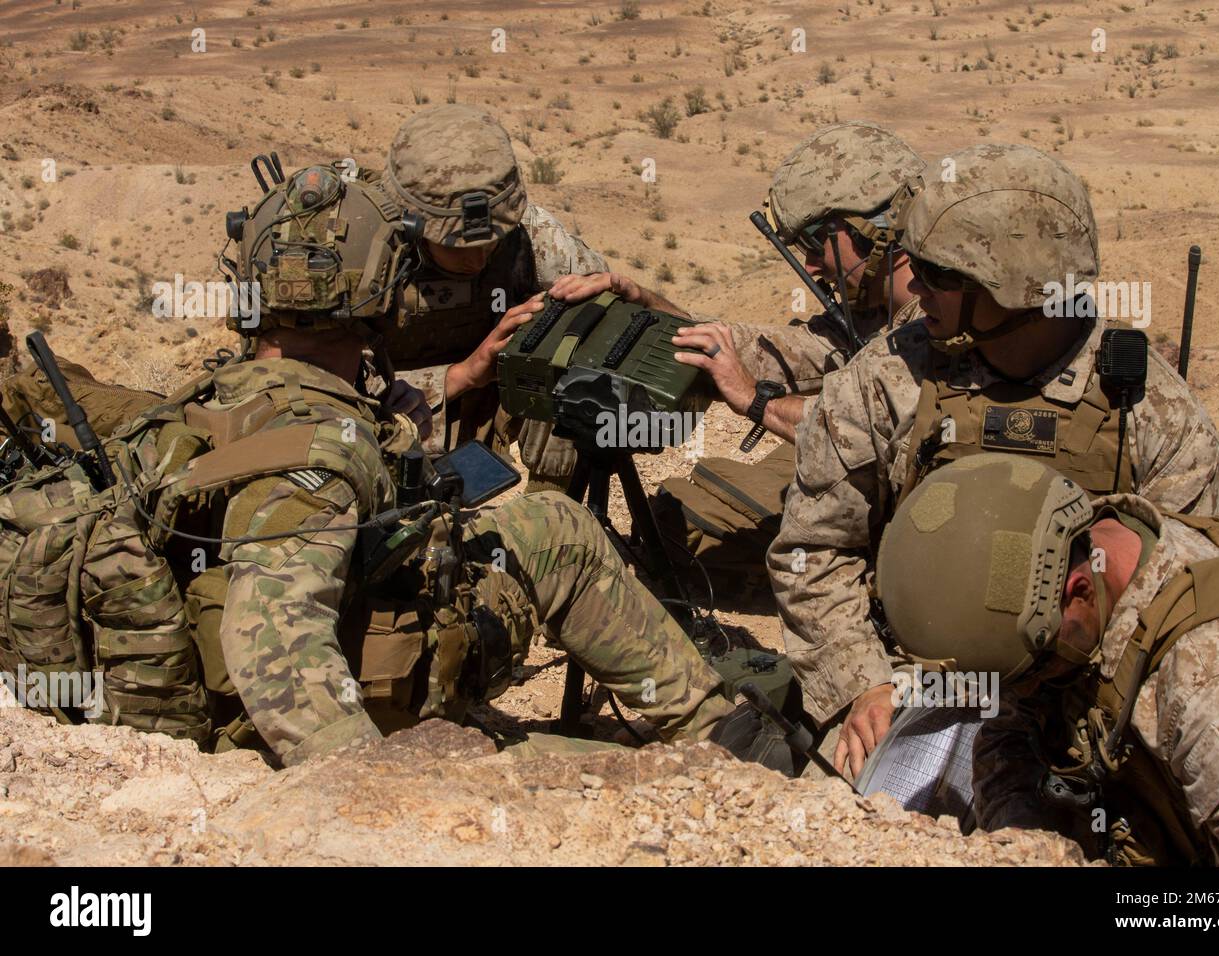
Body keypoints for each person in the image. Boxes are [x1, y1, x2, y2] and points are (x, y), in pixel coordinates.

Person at [0, 161, 775, 770]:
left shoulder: (217, 397)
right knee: (560, 534)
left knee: (519, 517)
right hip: (312, 711)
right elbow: (276, 649)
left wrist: (464, 379)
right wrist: (368, 786)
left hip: (220, 667)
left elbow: (380, 431)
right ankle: (727, 743)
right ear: (381, 288)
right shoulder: (319, 449)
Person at [768, 143, 1219, 780]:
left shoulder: (1149, 409)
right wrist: (862, 687)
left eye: (941, 275)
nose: (917, 288)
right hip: (919, 690)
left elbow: (1190, 604)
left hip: (1096, 708)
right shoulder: (886, 380)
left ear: (1010, 290)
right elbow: (812, 550)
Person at [556, 122, 926, 600]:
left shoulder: (935, 325)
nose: (812, 267)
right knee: (678, 530)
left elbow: (861, 434)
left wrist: (757, 402)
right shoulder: (874, 313)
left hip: (928, 527)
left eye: (816, 245)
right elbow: (767, 352)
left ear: (871, 230)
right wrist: (644, 304)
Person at [874, 453, 1219, 865]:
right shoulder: (1066, 566)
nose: (1017, 694)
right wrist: (1026, 844)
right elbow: (1009, 739)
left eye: (1029, 676)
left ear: (1079, 593)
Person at [370, 104, 608, 491]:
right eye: (458, 245)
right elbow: (328, 391)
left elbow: (602, 299)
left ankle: (553, 523)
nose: (479, 257)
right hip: (388, 418)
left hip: (484, 407)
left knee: (574, 366)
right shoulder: (365, 262)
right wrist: (462, 374)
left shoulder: (527, 237)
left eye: (490, 240)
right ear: (412, 226)